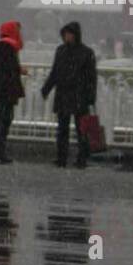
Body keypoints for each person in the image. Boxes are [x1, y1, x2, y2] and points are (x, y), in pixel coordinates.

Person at [40, 21, 97, 168]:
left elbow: (91, 77)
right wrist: (46, 88)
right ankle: (61, 157)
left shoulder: (86, 53)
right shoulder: (61, 51)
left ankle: (81, 159)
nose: (67, 37)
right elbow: (55, 72)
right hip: (65, 94)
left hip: (79, 96)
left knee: (81, 130)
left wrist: (91, 97)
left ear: (76, 35)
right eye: (65, 34)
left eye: (69, 34)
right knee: (63, 129)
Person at [0, 20, 27, 164]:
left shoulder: (3, 45)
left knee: (3, 118)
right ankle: (0, 153)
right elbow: (8, 66)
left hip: (4, 88)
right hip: (7, 88)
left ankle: (0, 152)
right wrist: (18, 70)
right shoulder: (7, 45)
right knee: (4, 120)